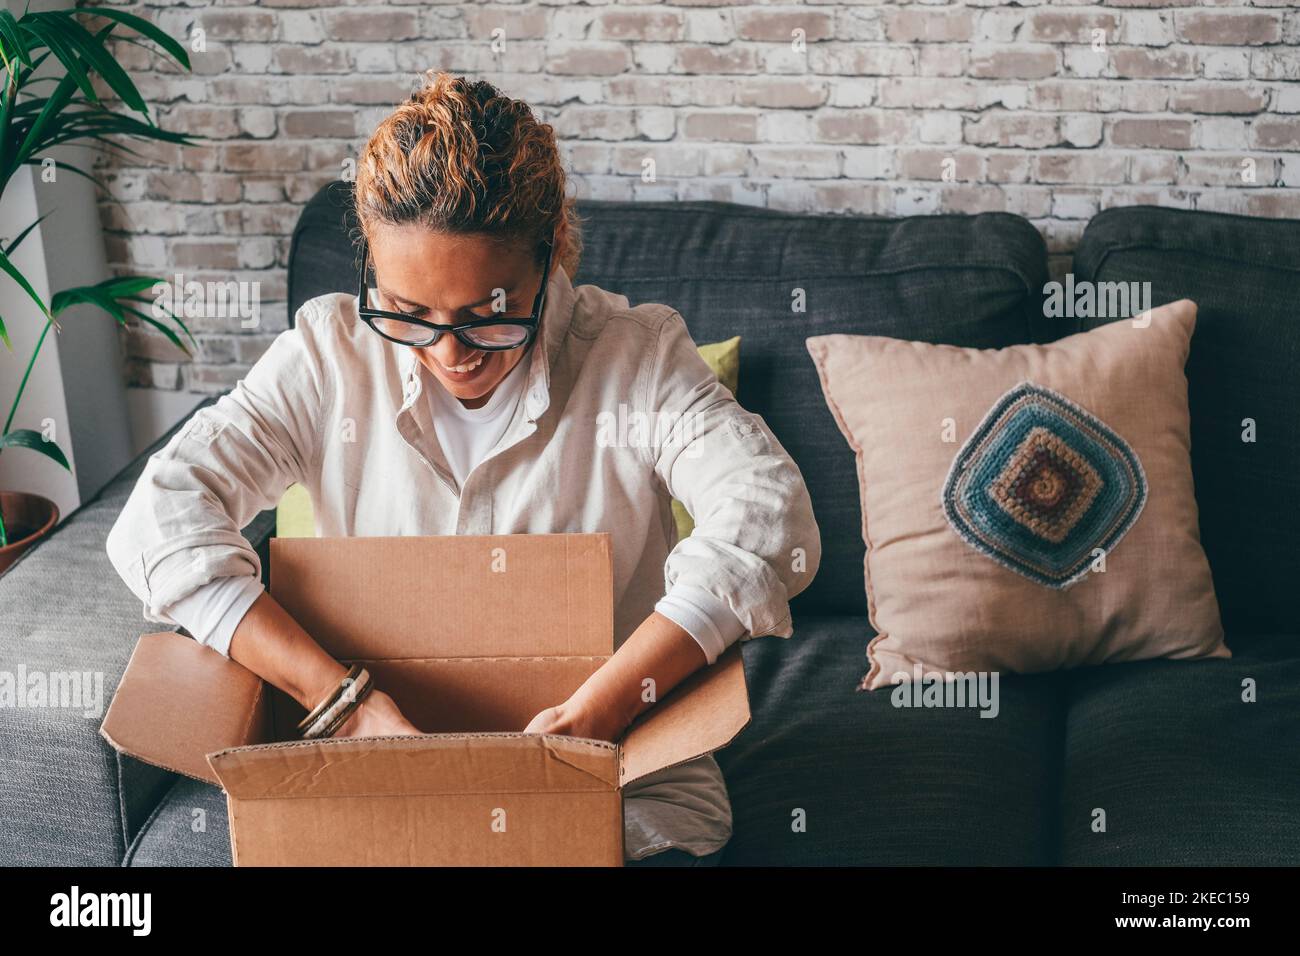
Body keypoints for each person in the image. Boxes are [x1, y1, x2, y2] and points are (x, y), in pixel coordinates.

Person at [106, 71, 820, 866]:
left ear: (549, 256)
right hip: (380, 780)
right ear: (371, 270)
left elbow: (770, 515)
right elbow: (159, 518)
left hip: (620, 776)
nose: (449, 355)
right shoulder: (326, 359)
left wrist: (596, 715)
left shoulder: (636, 358)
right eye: (408, 315)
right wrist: (339, 701)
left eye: (488, 315)